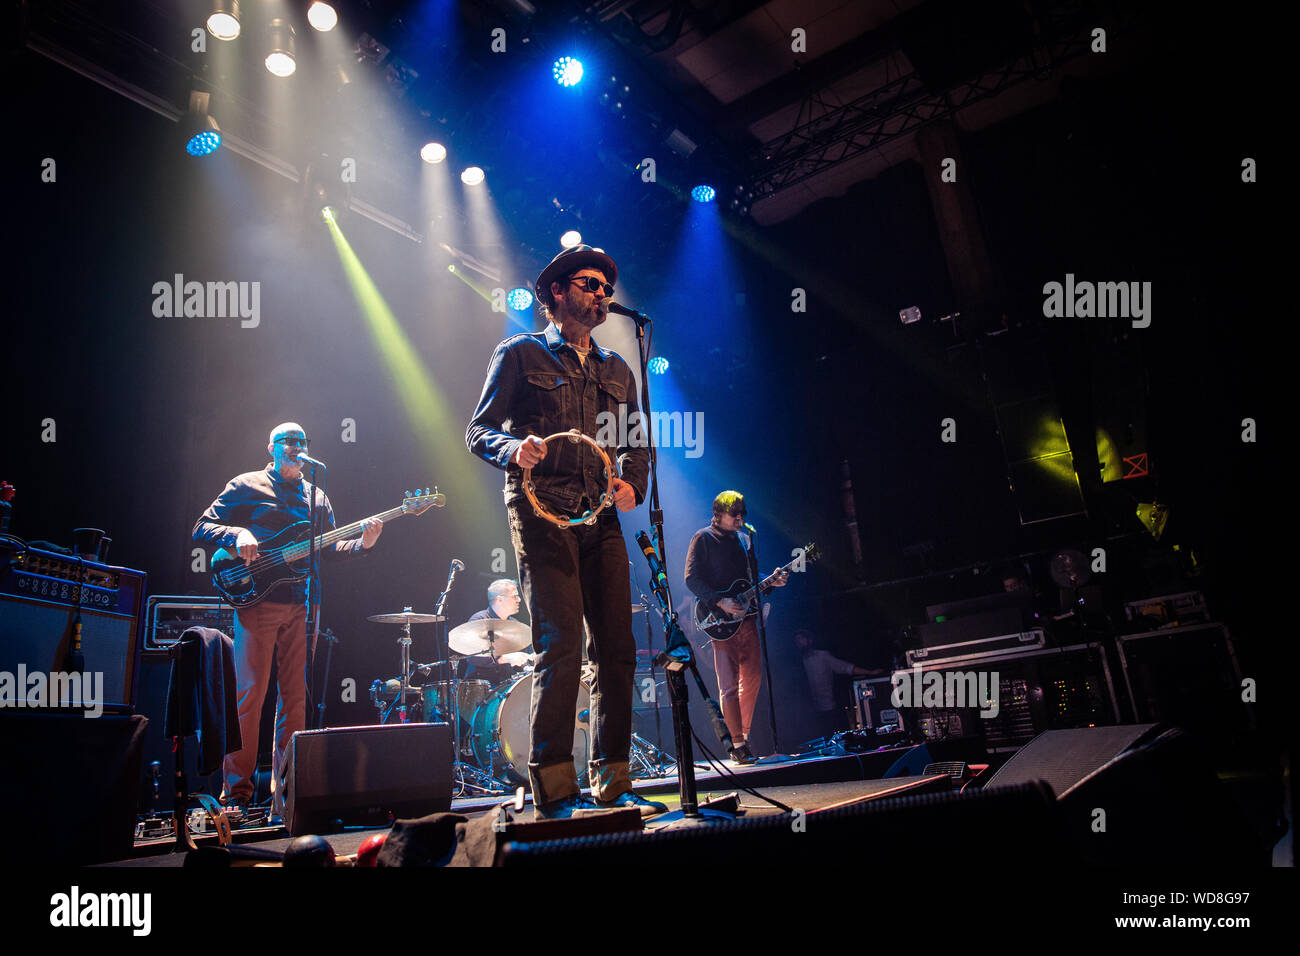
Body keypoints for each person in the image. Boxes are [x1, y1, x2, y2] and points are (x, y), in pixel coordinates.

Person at [466, 244, 665, 819]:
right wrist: (514, 448)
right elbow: (478, 431)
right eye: (588, 283)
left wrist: (633, 483)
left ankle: (613, 776)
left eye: (606, 287)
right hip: (541, 511)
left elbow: (636, 444)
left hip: (599, 515)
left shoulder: (618, 369)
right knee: (560, 644)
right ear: (557, 292)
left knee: (618, 648)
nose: (601, 293)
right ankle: (553, 785)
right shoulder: (520, 354)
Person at [193, 422, 381, 813]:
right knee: (250, 696)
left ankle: (287, 796)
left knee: (295, 701)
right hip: (257, 601)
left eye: (302, 442)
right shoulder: (247, 485)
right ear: (272, 448)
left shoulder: (317, 495)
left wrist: (363, 544)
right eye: (288, 442)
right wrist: (237, 535)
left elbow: (328, 549)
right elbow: (202, 526)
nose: (296, 447)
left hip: (303, 605)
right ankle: (237, 795)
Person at [684, 491, 787, 764]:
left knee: (752, 678)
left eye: (743, 513)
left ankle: (742, 734)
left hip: (748, 618)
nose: (740, 518)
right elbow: (691, 579)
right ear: (718, 514)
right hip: (721, 620)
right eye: (734, 514)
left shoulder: (745, 538)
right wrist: (720, 602)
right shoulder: (703, 538)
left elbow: (752, 578)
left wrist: (771, 580)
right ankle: (738, 744)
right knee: (728, 684)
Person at [794, 629, 880, 741]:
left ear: (809, 640)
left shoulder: (822, 656)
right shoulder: (797, 663)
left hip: (830, 708)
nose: (799, 643)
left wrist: (870, 673)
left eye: (801, 639)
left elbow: (845, 667)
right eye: (796, 641)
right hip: (811, 712)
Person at [461, 578, 530, 684]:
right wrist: (503, 658)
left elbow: (523, 657)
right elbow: (472, 656)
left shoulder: (515, 624)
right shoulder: (479, 621)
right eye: (514, 596)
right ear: (500, 599)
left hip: (507, 686)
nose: (519, 599)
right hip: (481, 686)